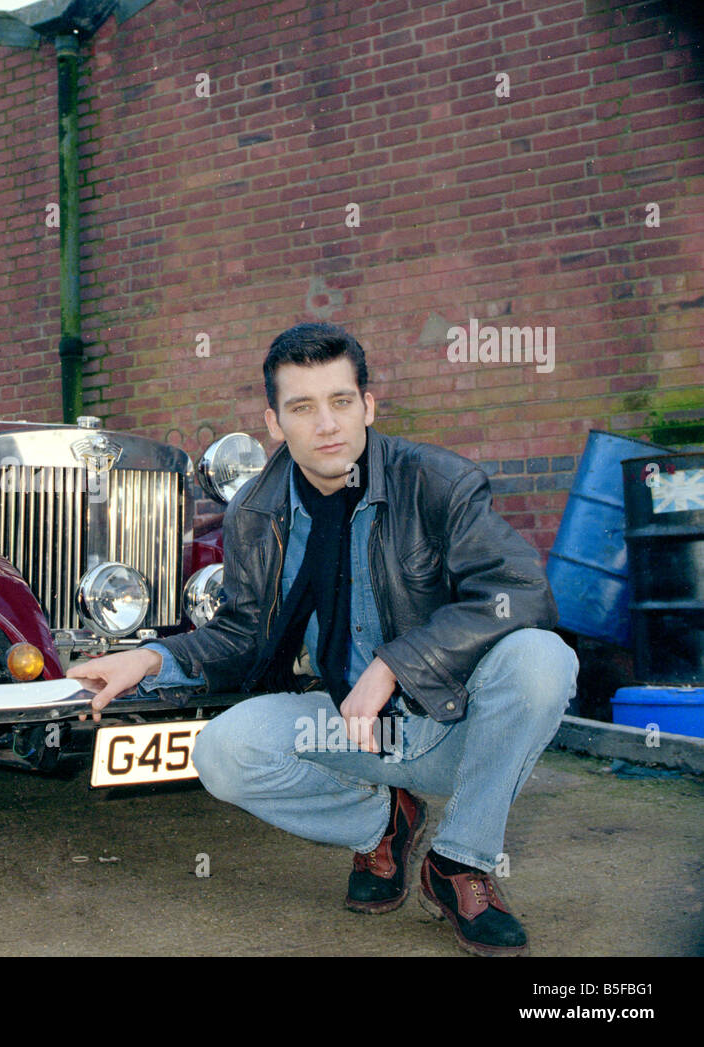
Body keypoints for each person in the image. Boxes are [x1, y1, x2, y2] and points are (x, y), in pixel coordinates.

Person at [67, 322, 578, 957]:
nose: (327, 425)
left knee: (542, 658)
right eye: (303, 408)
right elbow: (242, 634)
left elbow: (523, 594)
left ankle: (459, 862)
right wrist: (151, 658)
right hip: (352, 732)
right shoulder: (255, 510)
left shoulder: (436, 482)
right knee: (223, 752)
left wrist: (394, 664)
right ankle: (383, 824)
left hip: (456, 724)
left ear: (368, 405)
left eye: (341, 402)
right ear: (274, 423)